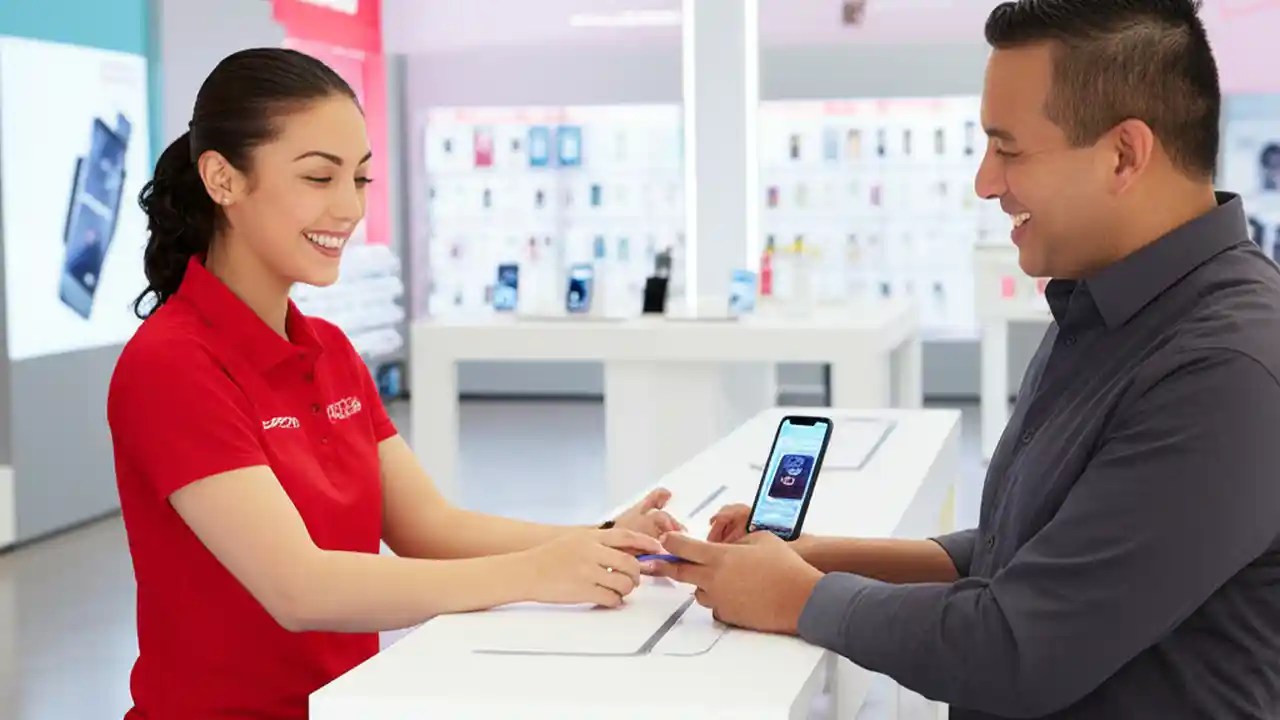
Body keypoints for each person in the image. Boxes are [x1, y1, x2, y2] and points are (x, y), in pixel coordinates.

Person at [655, 1, 1280, 718]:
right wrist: (811, 557)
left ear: (1123, 155)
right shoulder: (1107, 306)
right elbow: (1032, 546)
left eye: (1008, 151)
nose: (985, 182)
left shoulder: (1228, 370)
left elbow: (1017, 646)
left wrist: (799, 598)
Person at [106, 48, 680, 720]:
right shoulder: (172, 365)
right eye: (318, 177)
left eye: (360, 179)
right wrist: (537, 573)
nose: (348, 208)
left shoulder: (330, 351)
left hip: (347, 706)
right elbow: (299, 588)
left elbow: (429, 527)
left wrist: (600, 539)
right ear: (222, 179)